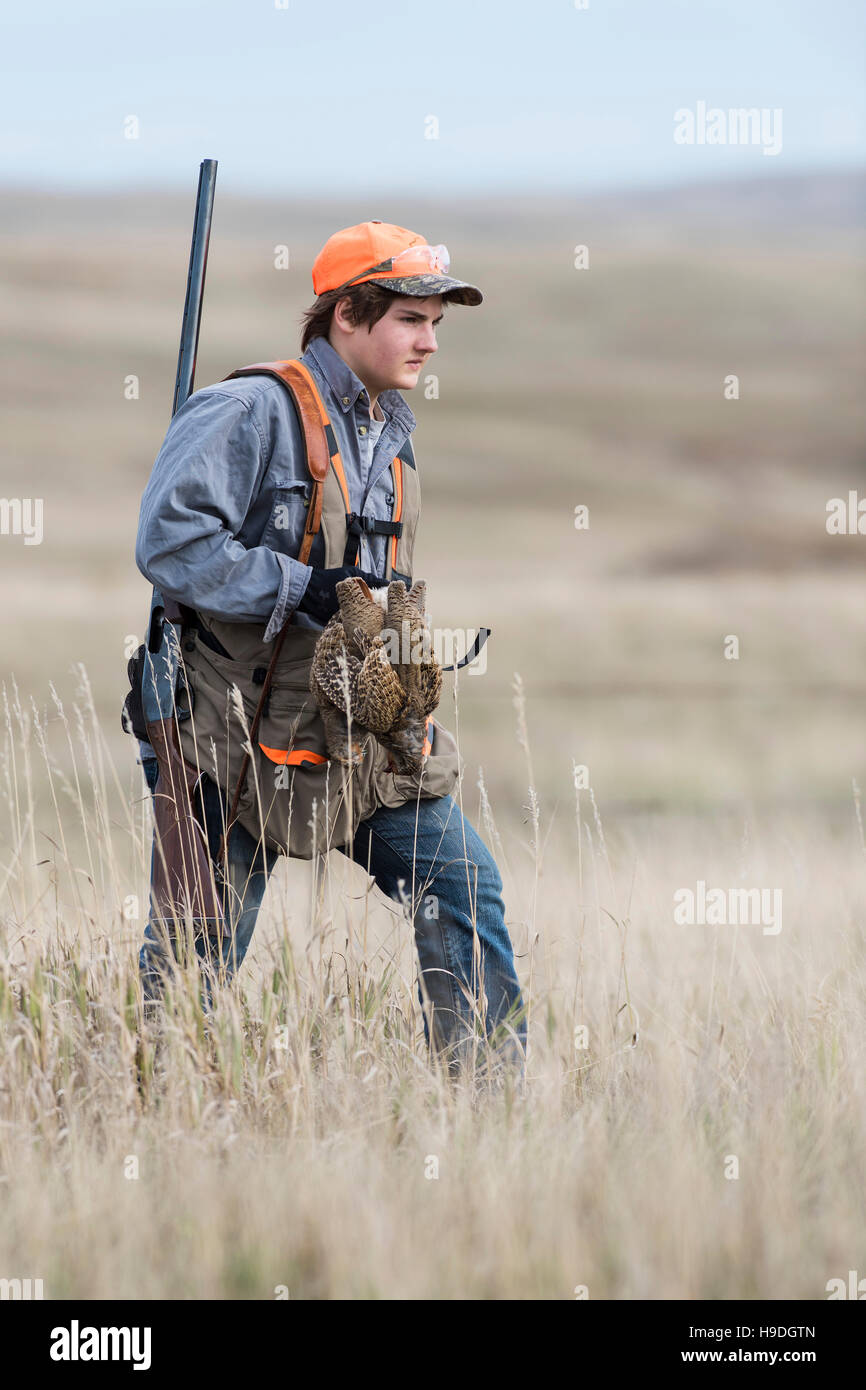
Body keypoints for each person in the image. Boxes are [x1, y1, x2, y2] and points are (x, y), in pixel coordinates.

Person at [133, 220, 526, 1078]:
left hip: (358, 735)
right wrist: (295, 587)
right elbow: (168, 544)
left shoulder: (391, 432)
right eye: (411, 320)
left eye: (435, 324)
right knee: (199, 955)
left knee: (462, 893)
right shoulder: (243, 411)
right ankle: (149, 1110)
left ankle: (490, 1110)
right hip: (229, 737)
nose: (428, 341)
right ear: (349, 311)